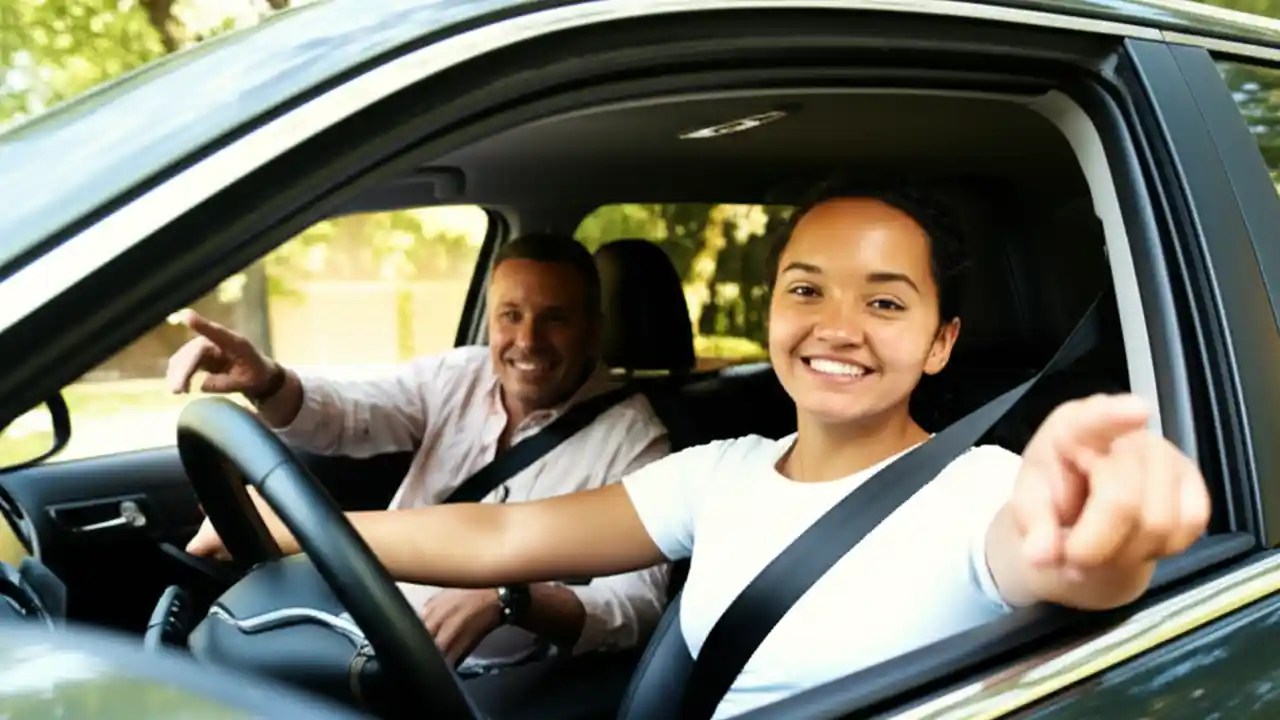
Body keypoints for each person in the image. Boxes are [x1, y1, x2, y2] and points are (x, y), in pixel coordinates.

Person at [188, 183, 1211, 720]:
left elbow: (1051, 553)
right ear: (770, 308)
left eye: (886, 302)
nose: (836, 326)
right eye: (805, 288)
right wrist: (282, 526)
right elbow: (500, 536)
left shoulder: (980, 489)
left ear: (942, 341)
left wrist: (1100, 543)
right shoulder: (714, 473)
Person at [168, 233, 672, 676]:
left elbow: (635, 607)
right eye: (511, 316)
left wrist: (512, 599)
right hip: (362, 619)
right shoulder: (458, 376)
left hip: (481, 681)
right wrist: (267, 381)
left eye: (555, 319)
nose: (528, 341)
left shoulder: (635, 440)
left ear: (593, 329)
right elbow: (350, 415)